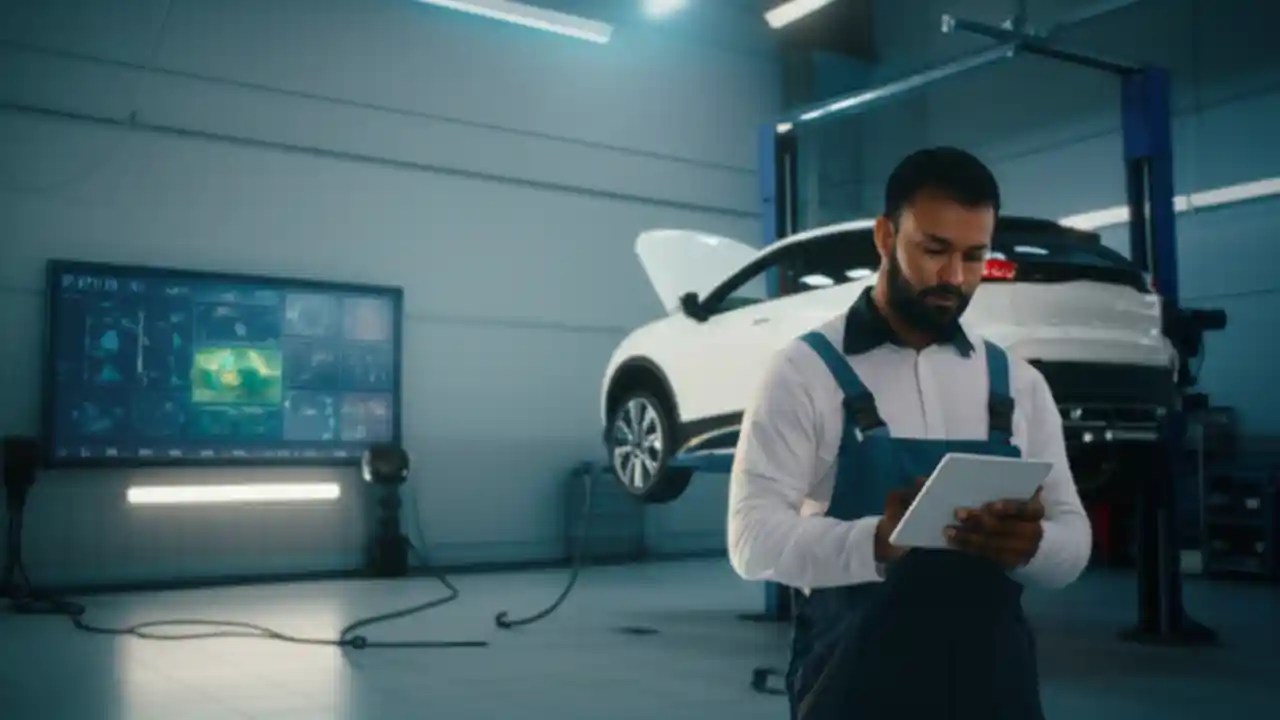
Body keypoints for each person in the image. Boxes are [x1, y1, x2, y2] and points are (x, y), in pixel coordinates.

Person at [726, 147, 1092, 720]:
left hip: (992, 687)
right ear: (884, 236)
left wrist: (1032, 547)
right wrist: (878, 541)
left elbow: (1074, 539)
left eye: (975, 257)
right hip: (853, 684)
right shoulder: (804, 372)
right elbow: (750, 540)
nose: (954, 277)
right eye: (934, 250)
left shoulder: (1018, 384)